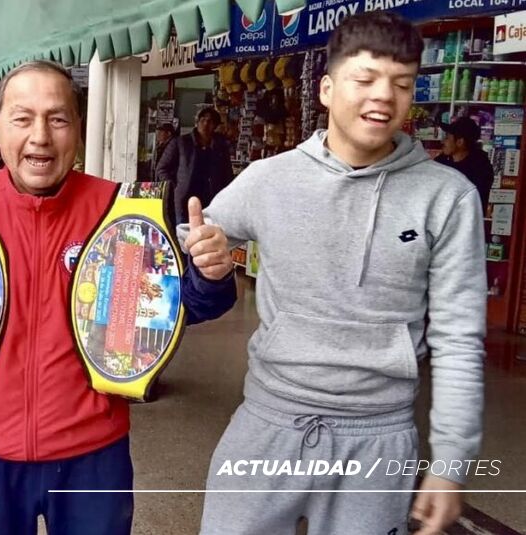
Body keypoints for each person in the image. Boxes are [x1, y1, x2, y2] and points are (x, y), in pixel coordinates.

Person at [0, 59, 237, 535]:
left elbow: (192, 306)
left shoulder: (121, 212)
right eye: (23, 118)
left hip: (94, 459)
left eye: (57, 118)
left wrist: (211, 273)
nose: (40, 136)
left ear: (77, 129)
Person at [182, 12, 485, 535]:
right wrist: (204, 252)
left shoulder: (448, 196)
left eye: (401, 84)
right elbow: (202, 235)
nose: (383, 97)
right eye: (364, 80)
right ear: (325, 89)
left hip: (379, 436)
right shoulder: (269, 179)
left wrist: (451, 463)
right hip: (268, 421)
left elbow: (460, 338)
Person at [157, 106, 233, 225]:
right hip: (185, 199)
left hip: (211, 200)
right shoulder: (181, 143)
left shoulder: (220, 147)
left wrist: (225, 194)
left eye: (210, 121)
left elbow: (227, 174)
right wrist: (175, 186)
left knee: (207, 233)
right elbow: (162, 169)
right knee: (184, 234)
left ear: (216, 126)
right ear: (197, 122)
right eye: (203, 120)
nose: (206, 124)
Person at [436, 116, 494, 212]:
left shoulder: (480, 167)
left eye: (447, 138)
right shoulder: (441, 161)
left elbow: (474, 200)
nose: (443, 142)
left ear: (460, 142)